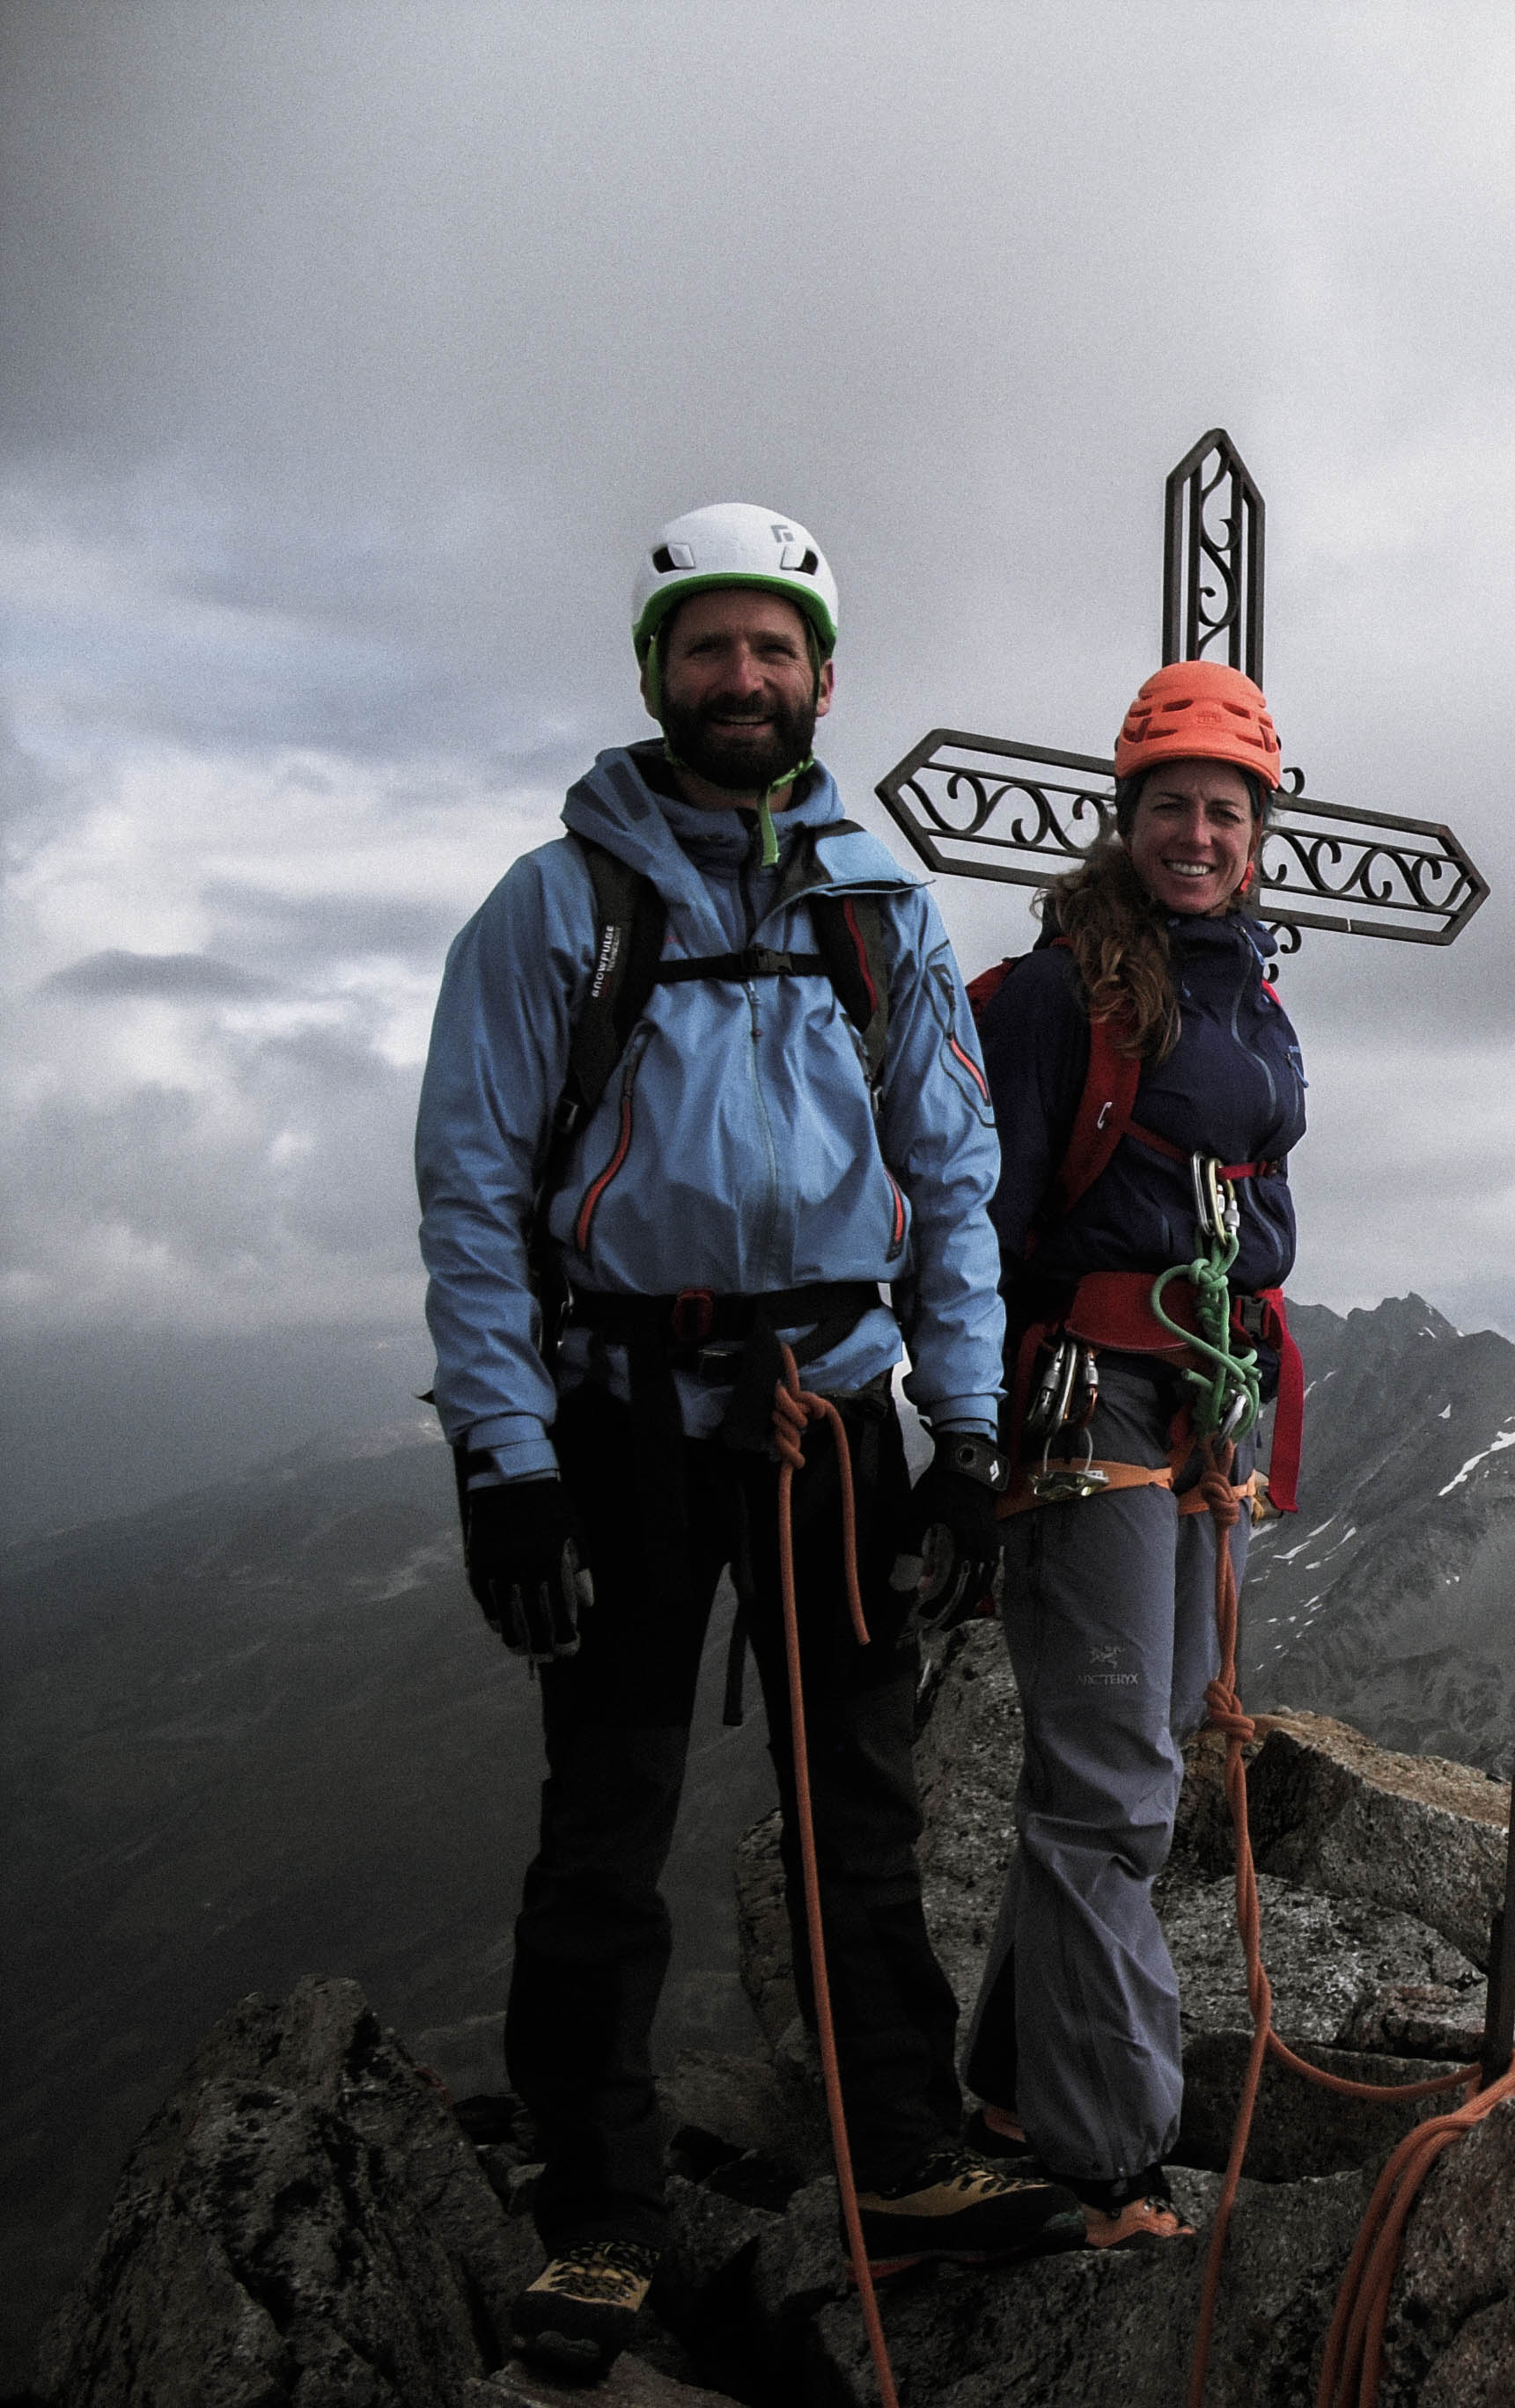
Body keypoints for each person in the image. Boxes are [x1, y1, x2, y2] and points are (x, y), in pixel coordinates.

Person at [416, 503, 1068, 2380]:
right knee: (605, 1822)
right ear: (657, 677)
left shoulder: (885, 912)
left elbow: (953, 1180)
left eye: (775, 648)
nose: (744, 678)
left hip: (837, 1420)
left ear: (824, 677)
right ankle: (603, 2212)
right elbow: (472, 1190)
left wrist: (959, 1438)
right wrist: (504, 1455)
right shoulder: (559, 904)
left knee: (858, 1812)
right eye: (709, 647)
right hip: (622, 1413)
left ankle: (902, 2162)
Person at [963, 657, 1306, 2246]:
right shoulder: (1058, 996)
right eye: (1170, 806)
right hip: (1091, 1397)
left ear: (1258, 833)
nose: (1197, 832)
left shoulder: (1252, 999)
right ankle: (1101, 2159)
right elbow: (992, 1217)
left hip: (1195, 1406)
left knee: (1146, 1742)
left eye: (1223, 811)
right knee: (1117, 1790)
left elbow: (1265, 1216)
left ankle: (1003, 2075)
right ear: (1127, 820)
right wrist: (967, 1422)